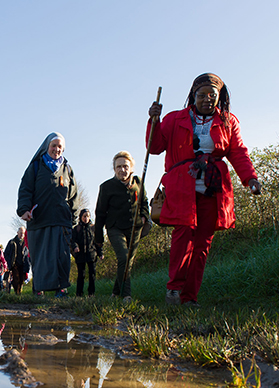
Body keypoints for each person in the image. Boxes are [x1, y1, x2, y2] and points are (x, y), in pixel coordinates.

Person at [148, 73, 261, 307]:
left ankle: (190, 297)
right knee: (182, 237)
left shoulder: (228, 121)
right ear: (193, 96)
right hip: (181, 187)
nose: (207, 99)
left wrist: (250, 178)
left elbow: (238, 152)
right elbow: (155, 147)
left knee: (202, 244)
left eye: (213, 95)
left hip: (212, 188)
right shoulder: (174, 118)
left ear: (220, 97)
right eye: (202, 95)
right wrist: (154, 121)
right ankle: (174, 290)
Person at [17, 132, 78, 297]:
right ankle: (39, 290)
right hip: (39, 219)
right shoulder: (35, 167)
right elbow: (25, 190)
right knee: (41, 257)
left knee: (62, 256)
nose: (57, 149)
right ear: (47, 147)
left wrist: (74, 217)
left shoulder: (67, 169)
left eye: (60, 146)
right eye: (54, 145)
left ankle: (61, 289)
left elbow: (73, 195)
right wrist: (24, 209)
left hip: (62, 220)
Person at [94, 151, 149, 300]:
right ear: (114, 169)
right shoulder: (106, 187)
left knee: (127, 262)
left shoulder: (138, 182)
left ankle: (115, 293)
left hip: (134, 227)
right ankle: (126, 295)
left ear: (131, 168)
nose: (122, 170)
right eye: (118, 167)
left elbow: (144, 202)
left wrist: (144, 216)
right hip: (114, 227)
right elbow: (100, 213)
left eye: (125, 166)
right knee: (124, 257)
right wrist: (98, 238)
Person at [71, 209, 98, 297]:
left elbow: (97, 242)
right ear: (81, 217)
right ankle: (79, 294)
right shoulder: (77, 229)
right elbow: (73, 240)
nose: (86, 218)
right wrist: (75, 247)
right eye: (84, 216)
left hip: (91, 254)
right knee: (81, 275)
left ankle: (91, 293)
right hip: (80, 255)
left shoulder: (93, 228)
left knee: (92, 274)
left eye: (88, 216)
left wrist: (100, 253)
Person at [4, 226, 30, 294]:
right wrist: (9, 261)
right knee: (16, 279)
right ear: (17, 233)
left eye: (23, 233)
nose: (22, 235)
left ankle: (19, 292)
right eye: (20, 233)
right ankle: (17, 293)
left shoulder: (27, 242)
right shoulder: (12, 242)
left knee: (21, 279)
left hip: (24, 263)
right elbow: (6, 253)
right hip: (14, 263)